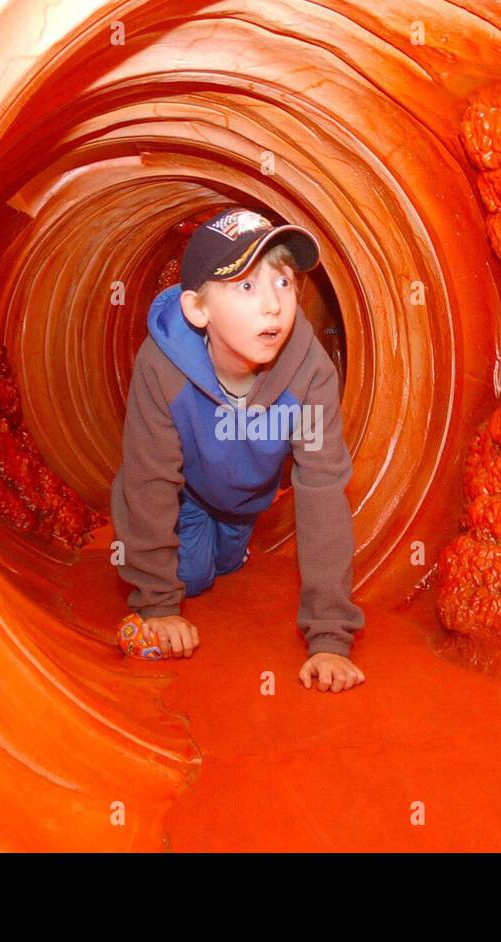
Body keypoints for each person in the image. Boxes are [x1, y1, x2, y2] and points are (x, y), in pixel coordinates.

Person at [110, 207, 366, 692]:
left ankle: (232, 542)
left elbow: (322, 489)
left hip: (248, 503)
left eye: (283, 282)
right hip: (186, 491)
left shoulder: (309, 375)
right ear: (197, 310)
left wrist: (330, 637)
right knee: (192, 576)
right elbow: (149, 478)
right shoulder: (161, 366)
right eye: (246, 286)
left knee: (226, 561)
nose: (273, 305)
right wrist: (158, 605)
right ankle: (192, 555)